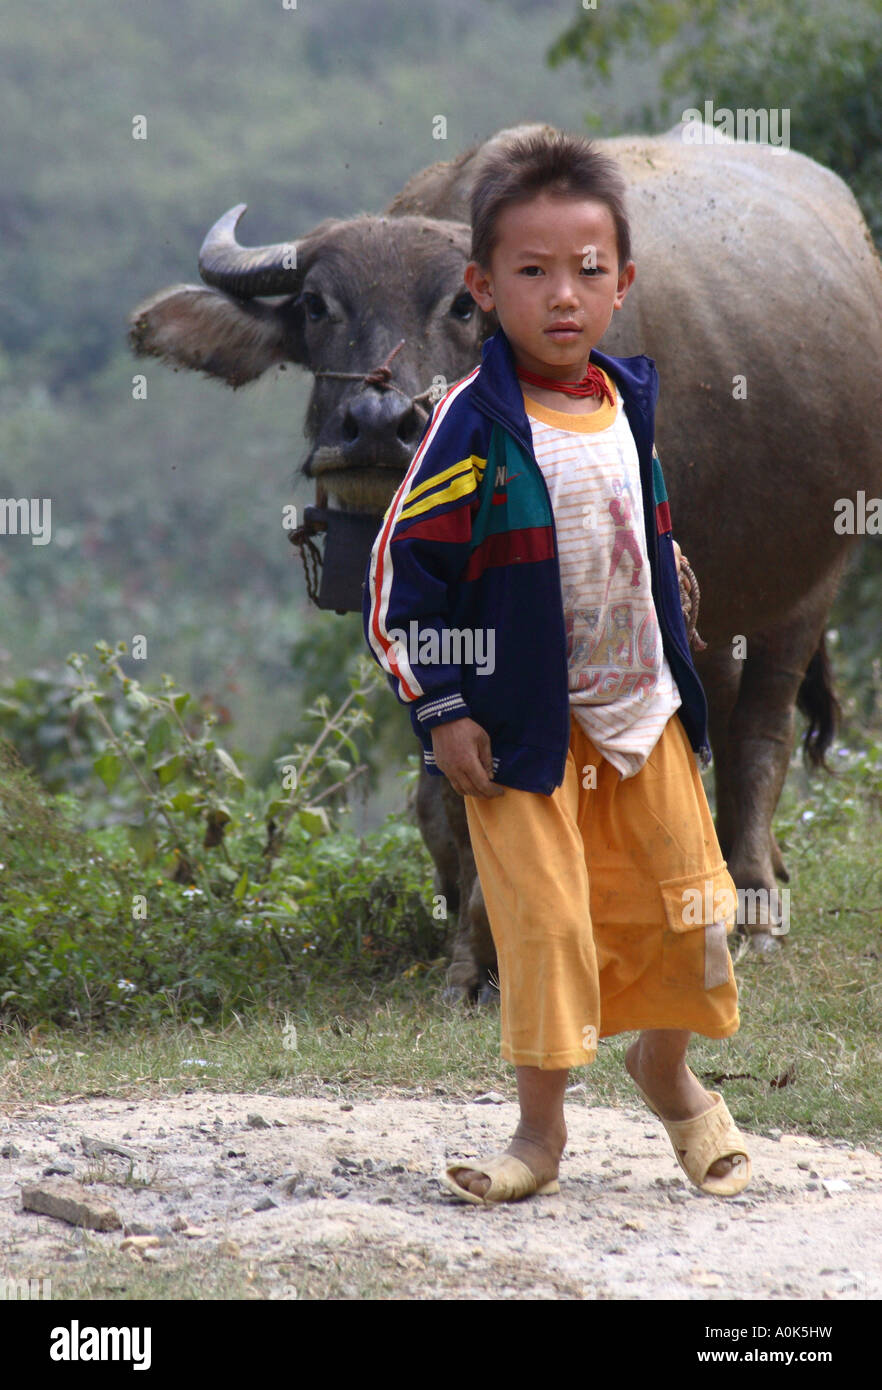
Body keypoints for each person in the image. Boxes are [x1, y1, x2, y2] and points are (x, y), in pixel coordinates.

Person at [363, 128, 750, 1205]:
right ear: (483, 289)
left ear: (623, 282)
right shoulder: (468, 428)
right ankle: (539, 1135)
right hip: (525, 732)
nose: (563, 295)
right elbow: (401, 585)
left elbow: (632, 523)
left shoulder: (628, 402)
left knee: (691, 915)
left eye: (588, 270)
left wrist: (666, 586)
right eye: (532, 272)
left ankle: (667, 1074)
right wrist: (442, 706)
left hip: (643, 711)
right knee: (544, 926)